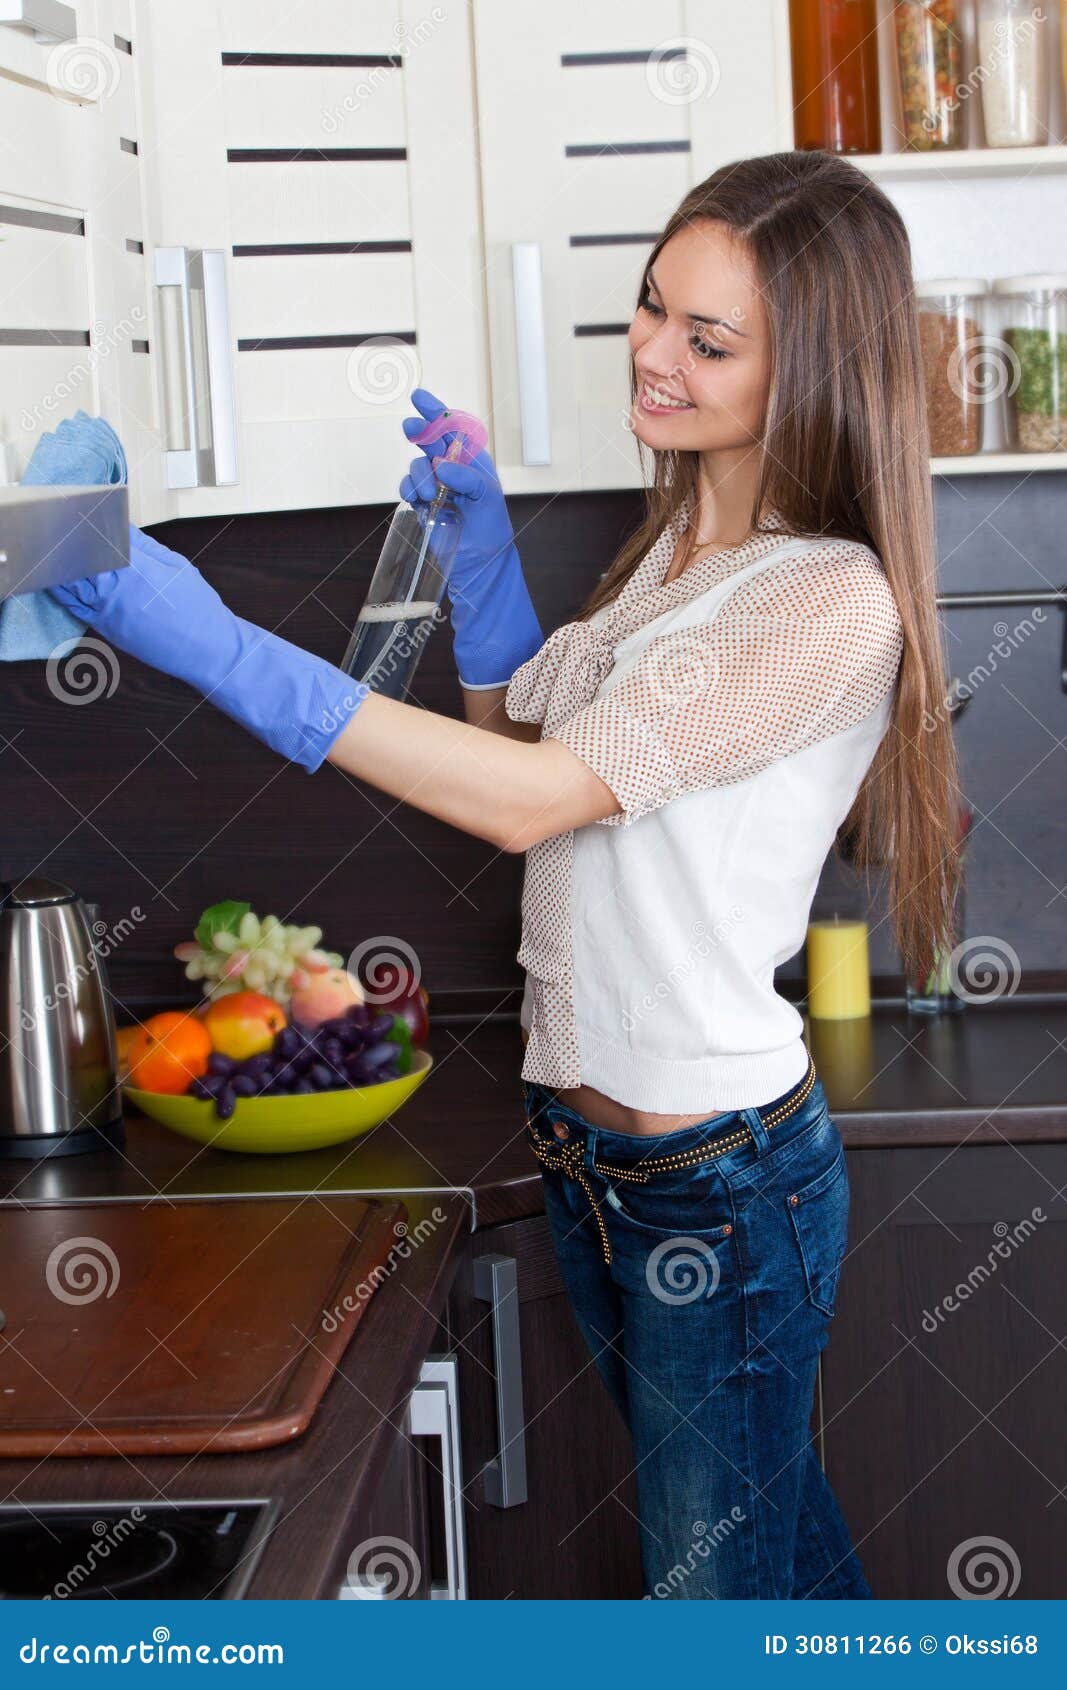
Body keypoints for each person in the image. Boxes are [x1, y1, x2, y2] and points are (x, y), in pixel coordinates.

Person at [50, 150, 961, 1599]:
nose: (654, 355)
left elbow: (537, 803)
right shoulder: (681, 544)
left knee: (715, 1595)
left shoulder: (828, 599)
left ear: (814, 373)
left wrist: (220, 647)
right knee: (763, 1547)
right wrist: (479, 554)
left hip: (716, 1182)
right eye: (653, 308)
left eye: (708, 341)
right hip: (600, 1154)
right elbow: (531, 737)